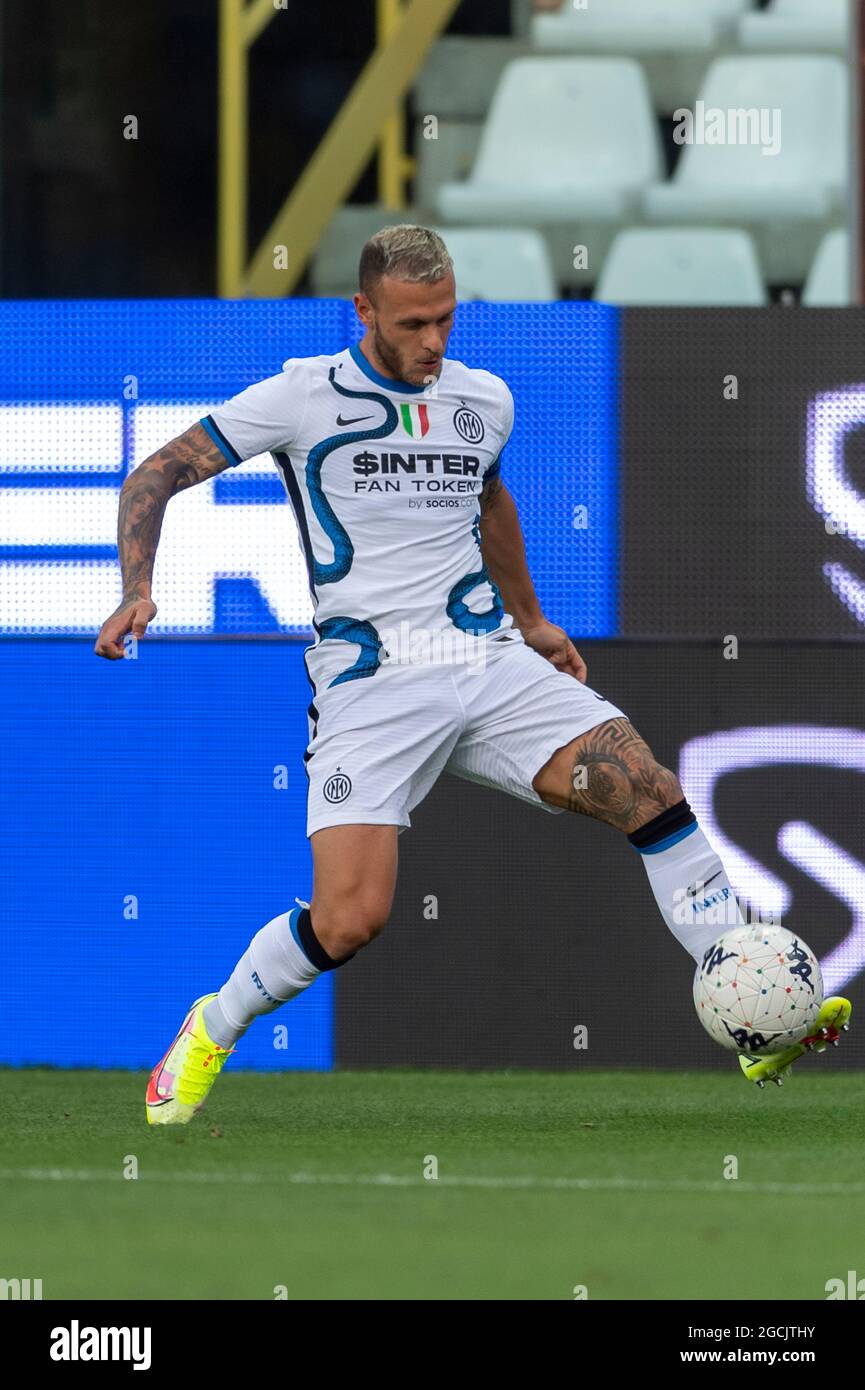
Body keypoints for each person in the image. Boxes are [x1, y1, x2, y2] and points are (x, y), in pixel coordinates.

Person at [94, 226, 835, 1119]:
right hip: (370, 680)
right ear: (363, 311)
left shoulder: (482, 399)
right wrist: (138, 590)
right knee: (348, 920)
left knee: (641, 783)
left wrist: (530, 620)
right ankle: (214, 1024)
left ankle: (757, 1018)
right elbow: (160, 471)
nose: (434, 343)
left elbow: (488, 500)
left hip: (483, 659)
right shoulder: (300, 397)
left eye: (445, 319)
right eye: (412, 324)